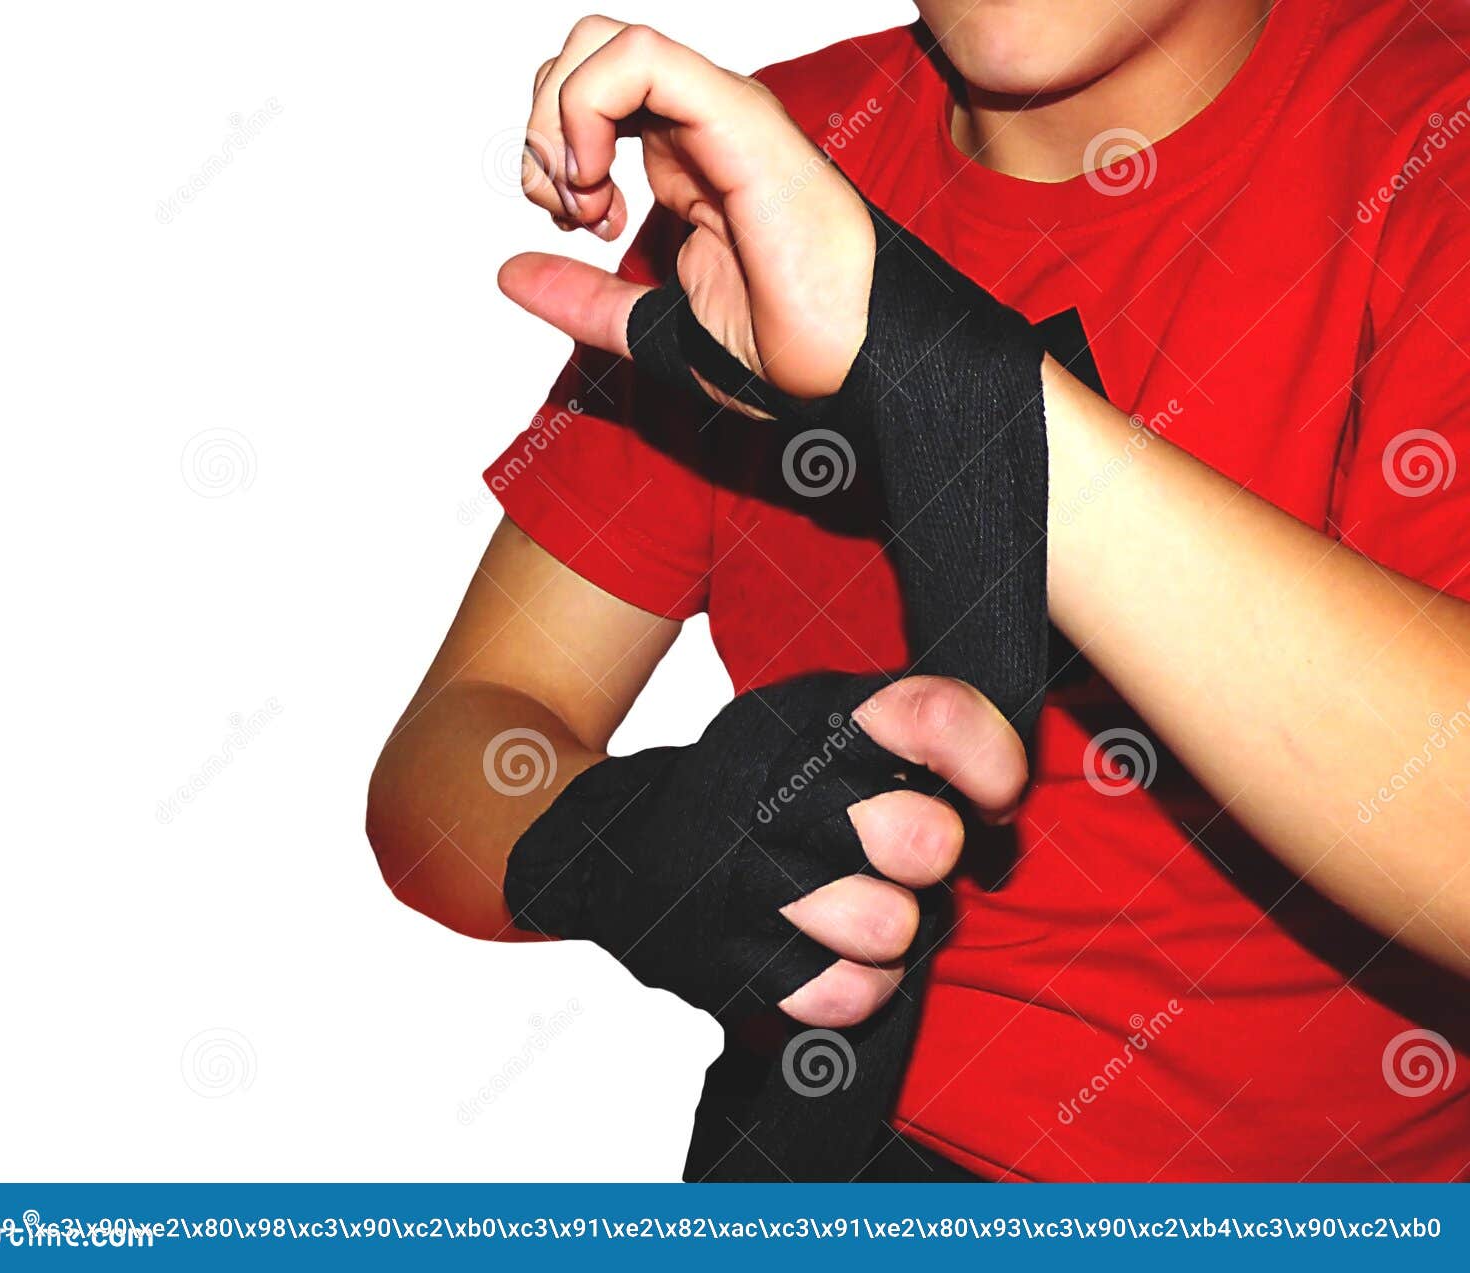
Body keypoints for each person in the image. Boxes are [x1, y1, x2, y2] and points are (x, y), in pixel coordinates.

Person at [368, 0, 1470, 1181]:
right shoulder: (776, 155)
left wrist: (943, 383)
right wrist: (639, 845)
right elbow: (452, 751)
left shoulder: (1426, 133)